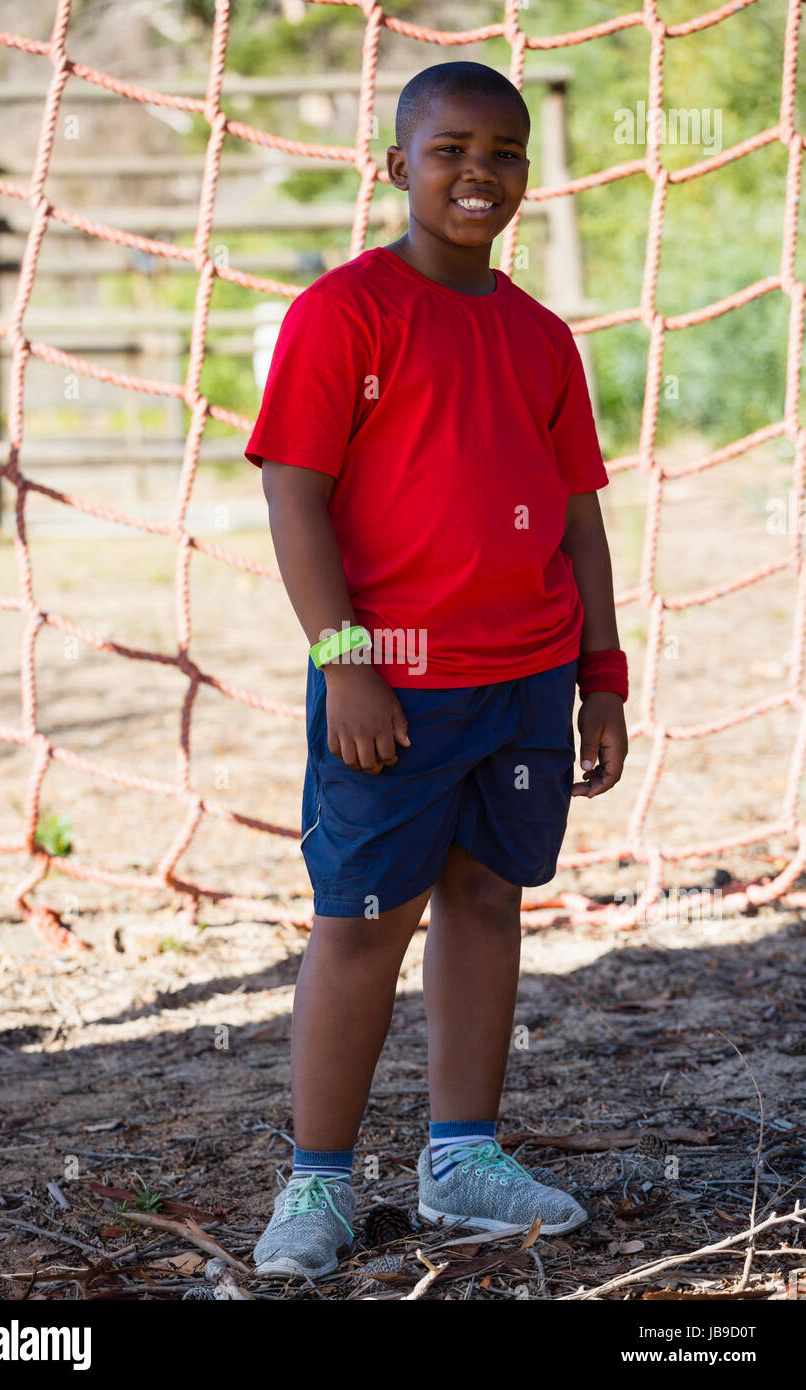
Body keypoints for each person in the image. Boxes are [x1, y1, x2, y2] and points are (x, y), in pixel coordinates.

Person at [244, 60, 629, 1280]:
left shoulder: (538, 337)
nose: (480, 171)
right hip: (391, 685)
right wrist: (346, 660)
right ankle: (316, 1182)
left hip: (522, 678)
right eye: (452, 147)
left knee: (482, 900)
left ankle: (461, 1154)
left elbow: (577, 520)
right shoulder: (342, 314)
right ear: (396, 165)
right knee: (361, 921)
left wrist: (600, 675)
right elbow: (293, 497)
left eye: (505, 151)